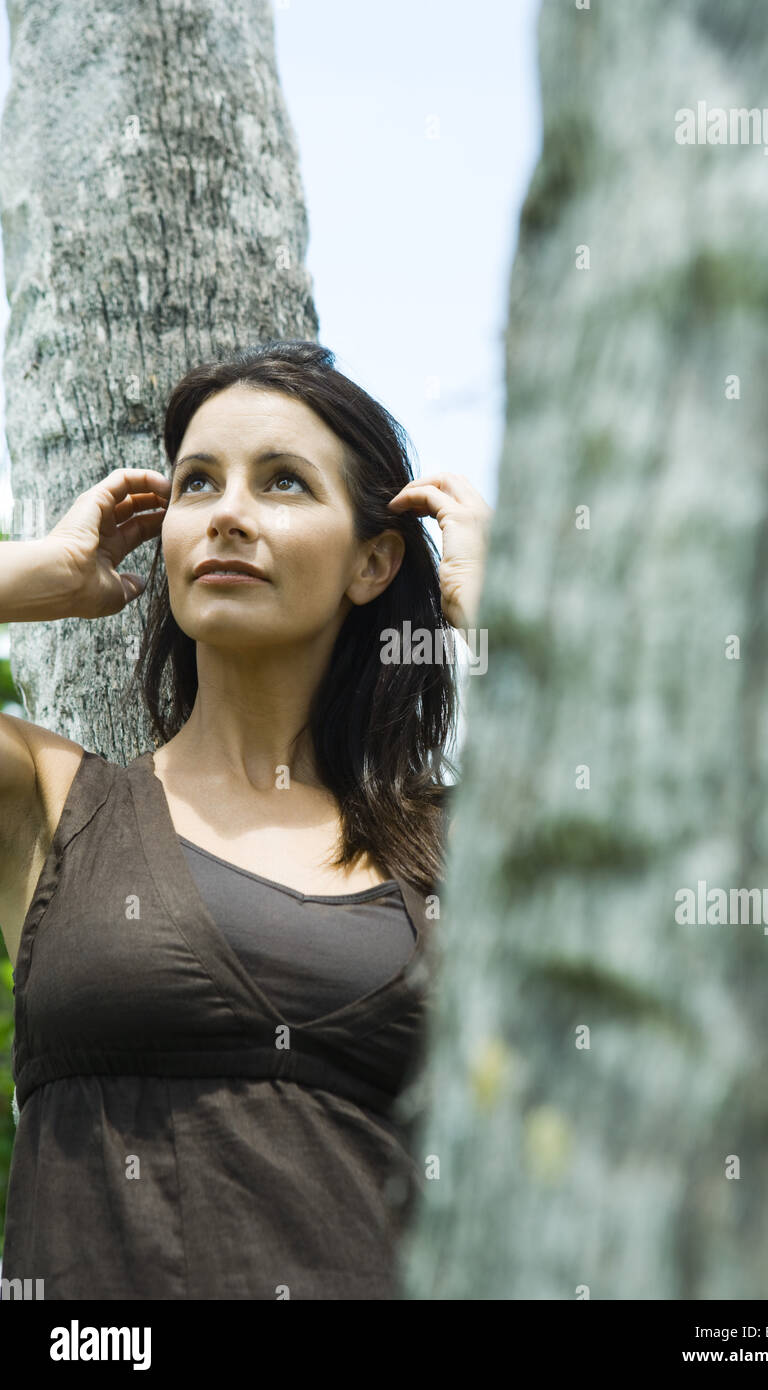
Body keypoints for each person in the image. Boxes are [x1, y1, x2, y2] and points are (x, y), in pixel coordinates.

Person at [0, 339, 492, 1299]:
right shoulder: (50, 802)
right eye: (197, 483)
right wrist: (35, 572)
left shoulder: (460, 849)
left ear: (373, 562)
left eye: (282, 483)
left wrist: (502, 618)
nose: (227, 513)